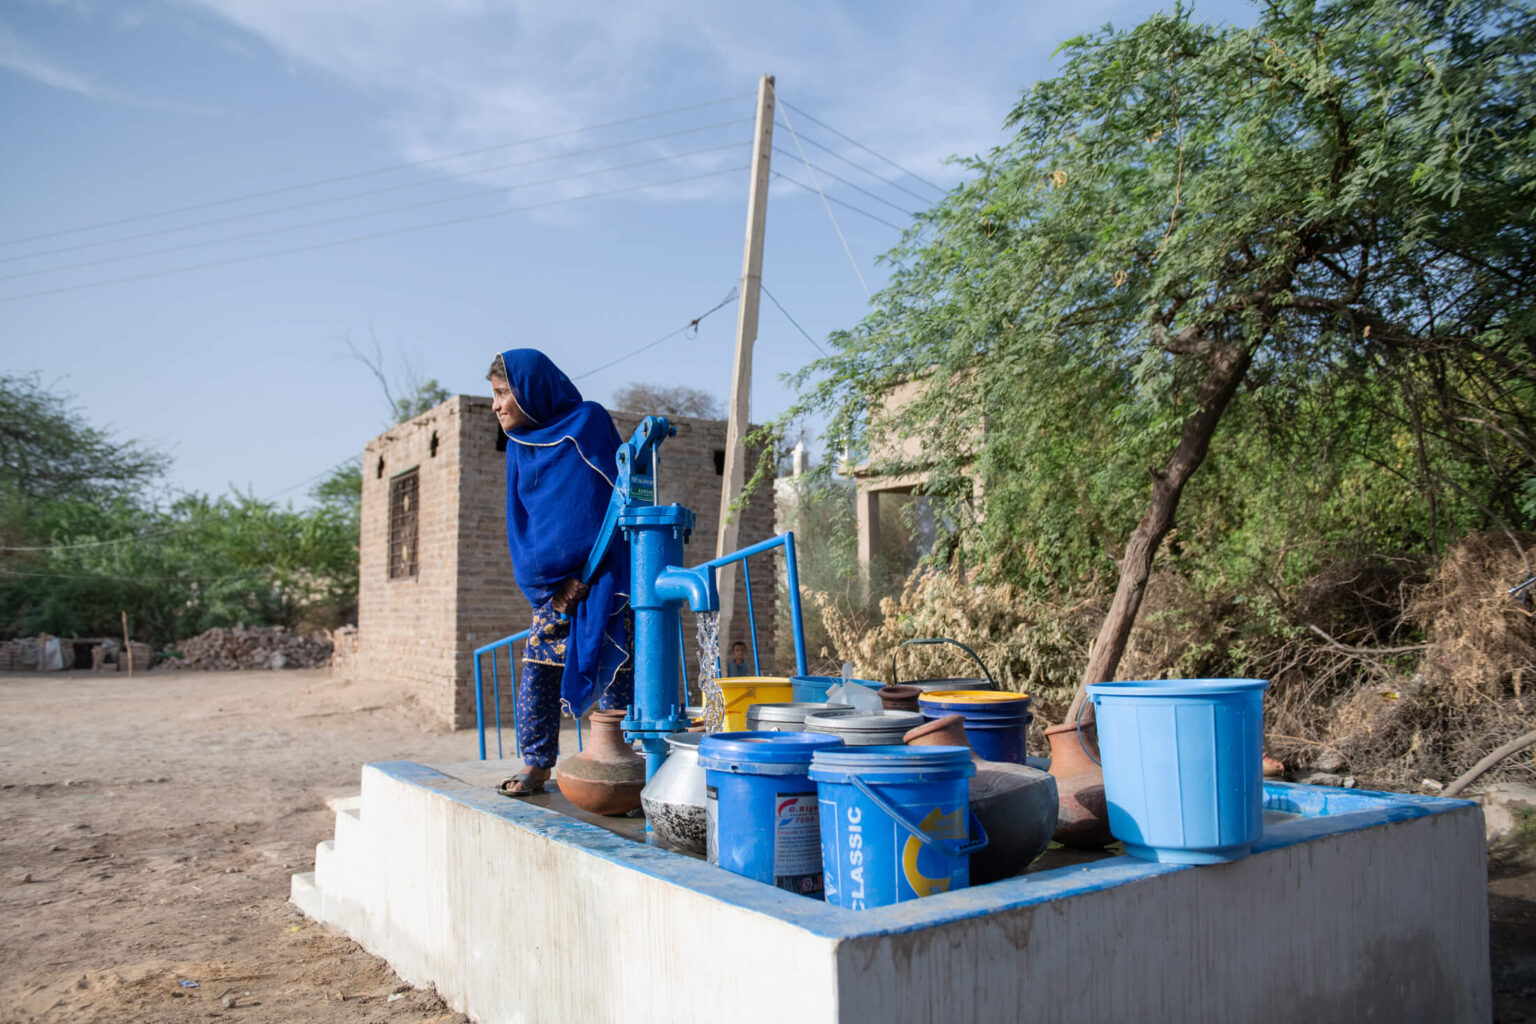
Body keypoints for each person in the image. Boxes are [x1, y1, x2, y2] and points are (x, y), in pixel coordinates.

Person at [490, 349, 633, 797]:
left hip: (606, 572)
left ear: (530, 392)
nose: (495, 405)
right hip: (556, 591)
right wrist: (552, 585)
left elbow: (614, 498)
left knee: (617, 663)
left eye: (501, 394)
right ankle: (536, 765)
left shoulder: (586, 424)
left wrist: (590, 571)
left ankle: (618, 768)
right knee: (537, 664)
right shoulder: (519, 447)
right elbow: (525, 523)